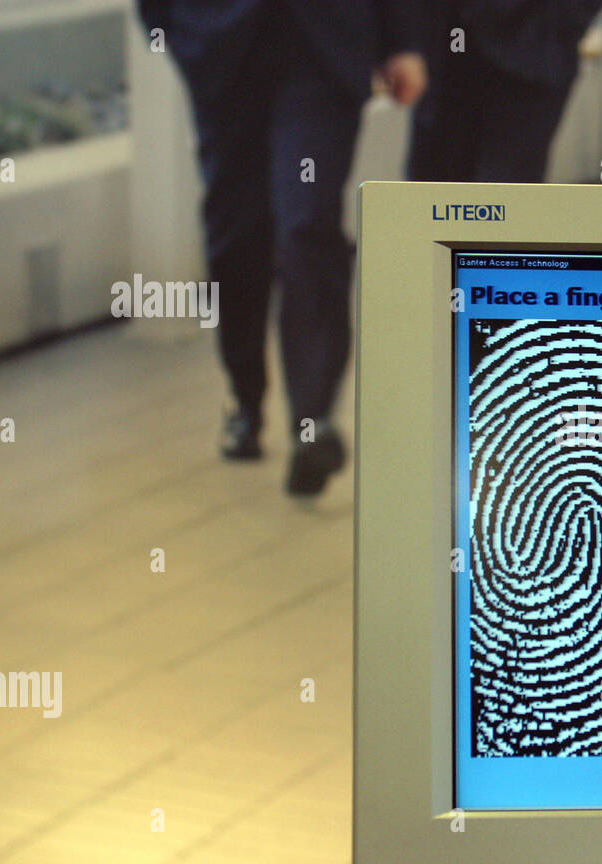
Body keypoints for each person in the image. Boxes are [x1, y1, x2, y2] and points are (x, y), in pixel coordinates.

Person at [137, 0, 429, 494]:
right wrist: (175, 33)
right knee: (237, 236)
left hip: (323, 50)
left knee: (307, 222)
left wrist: (402, 41)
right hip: (220, 52)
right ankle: (245, 396)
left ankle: (312, 423)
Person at [408, 0, 602, 184]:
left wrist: (557, 24)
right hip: (447, 53)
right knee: (434, 194)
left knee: (505, 196)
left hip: (532, 57)